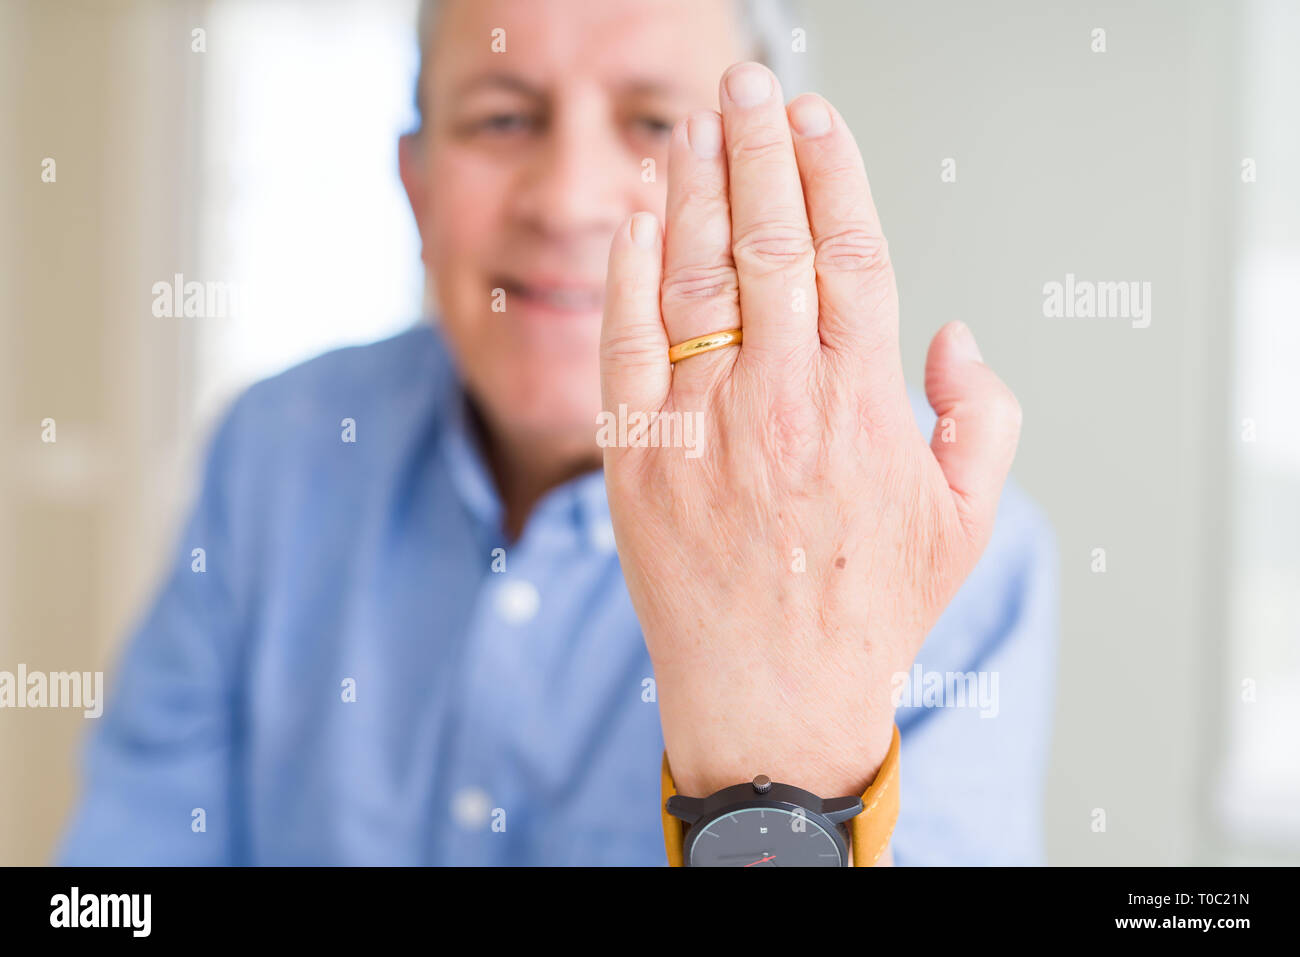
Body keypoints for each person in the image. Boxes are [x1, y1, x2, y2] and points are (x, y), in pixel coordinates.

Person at [57, 0, 1057, 866]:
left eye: (658, 123)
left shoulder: (934, 534)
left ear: (773, 193)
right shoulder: (272, 452)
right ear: (416, 184)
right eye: (501, 118)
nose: (567, 199)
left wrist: (776, 778)